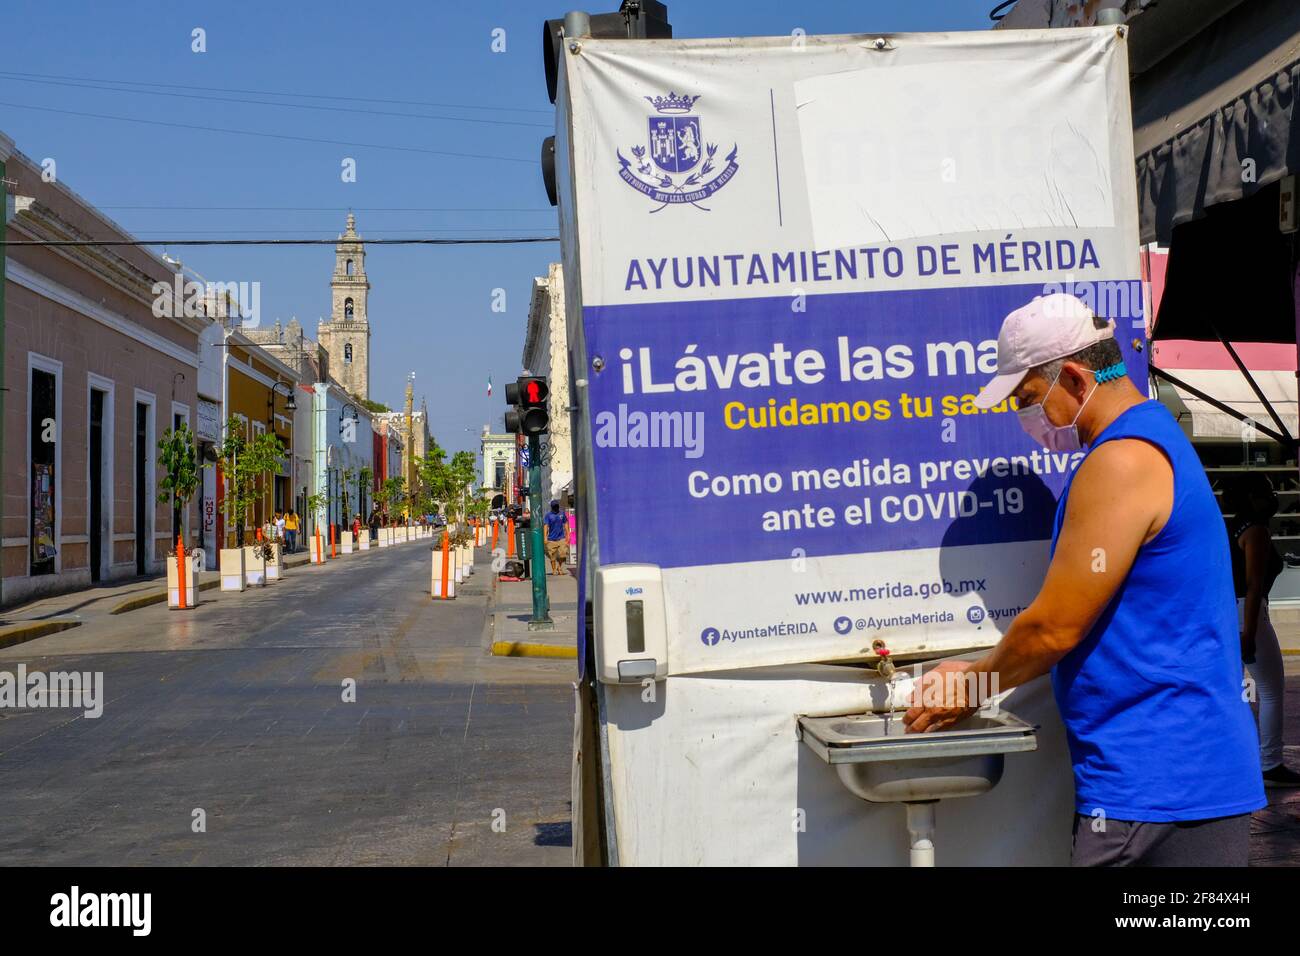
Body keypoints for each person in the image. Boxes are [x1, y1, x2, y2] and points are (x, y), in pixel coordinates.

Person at [904, 293, 1265, 866]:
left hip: (1153, 788)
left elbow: (1053, 628)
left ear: (1073, 376)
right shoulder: (1152, 440)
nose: (1028, 420)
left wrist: (970, 687)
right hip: (1185, 778)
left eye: (1028, 399)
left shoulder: (1120, 462)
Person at [1224, 472, 1300, 786]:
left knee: (1232, 691)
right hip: (1248, 612)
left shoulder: (1232, 526)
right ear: (1252, 496)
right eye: (1266, 491)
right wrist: (1250, 633)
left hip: (1229, 610)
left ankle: (1234, 759)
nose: (1272, 497)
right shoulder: (1255, 530)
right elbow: (1255, 586)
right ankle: (1270, 763)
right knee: (1270, 691)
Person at [543, 499, 569, 575]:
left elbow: (566, 523)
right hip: (551, 539)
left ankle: (559, 567)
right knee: (552, 556)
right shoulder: (548, 515)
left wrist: (568, 534)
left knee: (563, 554)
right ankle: (554, 569)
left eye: (557, 506)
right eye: (554, 506)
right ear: (552, 507)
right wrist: (545, 537)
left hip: (561, 538)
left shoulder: (562, 514)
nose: (556, 508)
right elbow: (546, 526)